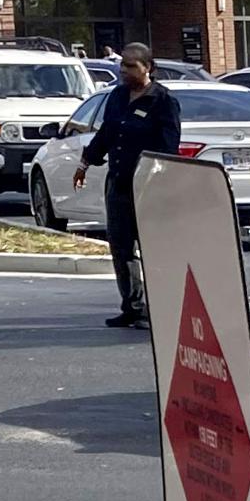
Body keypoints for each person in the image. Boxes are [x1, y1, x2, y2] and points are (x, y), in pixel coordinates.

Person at [75, 42, 182, 329]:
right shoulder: (118, 96)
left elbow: (169, 147)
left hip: (150, 188)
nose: (124, 70)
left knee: (153, 249)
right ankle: (132, 307)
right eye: (123, 64)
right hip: (119, 184)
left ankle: (163, 307)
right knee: (121, 248)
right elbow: (107, 134)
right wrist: (86, 161)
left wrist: (158, 180)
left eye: (131, 65)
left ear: (148, 68)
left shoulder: (163, 101)